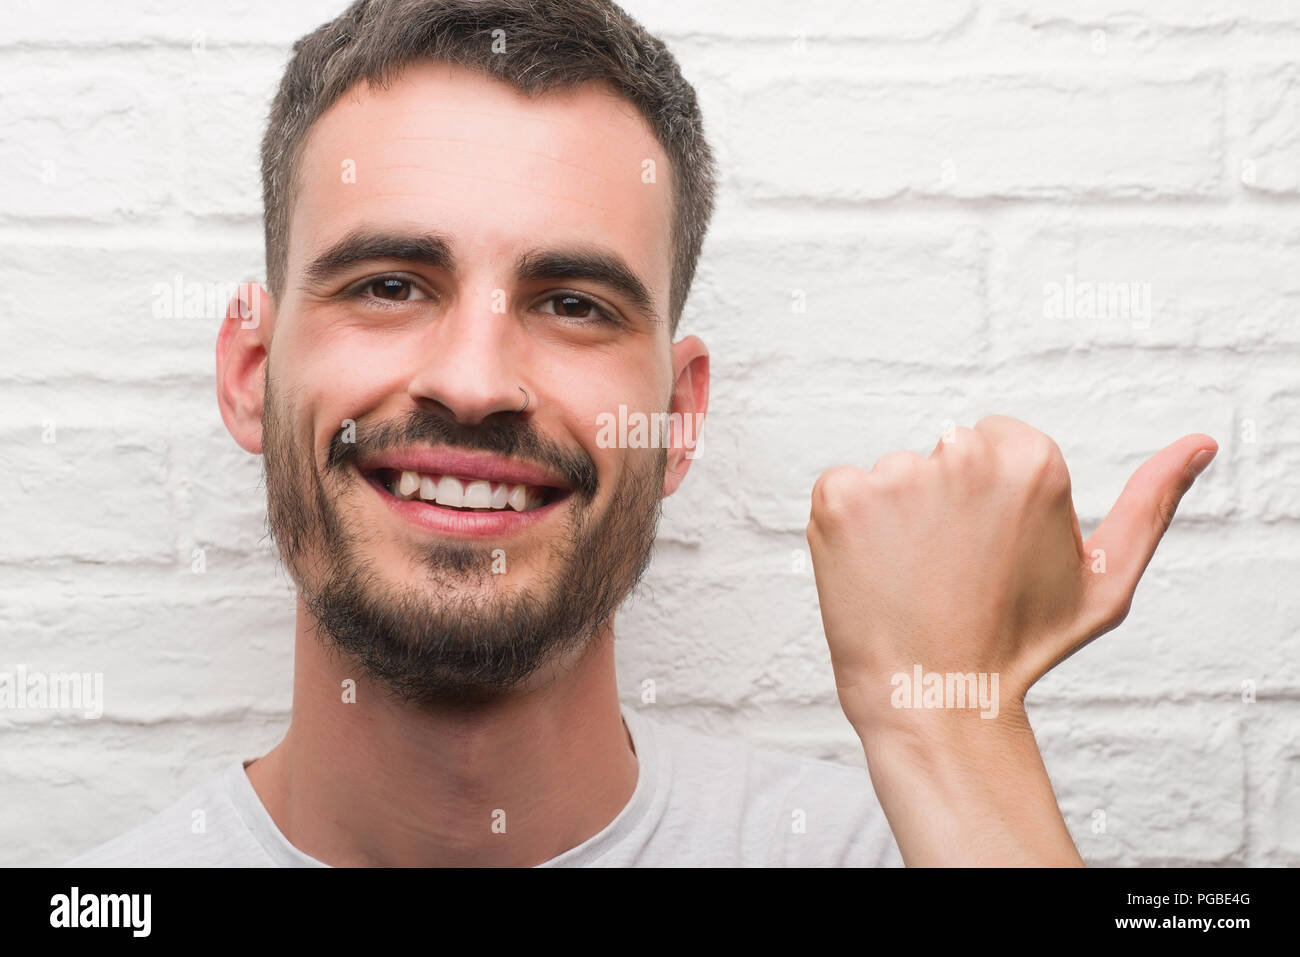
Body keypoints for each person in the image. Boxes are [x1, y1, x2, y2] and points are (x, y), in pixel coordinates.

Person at [66, 0, 1215, 868]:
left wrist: (950, 735)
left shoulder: (911, 846)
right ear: (252, 375)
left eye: (572, 303)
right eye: (387, 284)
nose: (473, 384)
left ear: (678, 419)